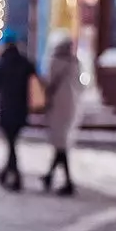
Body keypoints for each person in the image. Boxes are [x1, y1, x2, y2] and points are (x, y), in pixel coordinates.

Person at [0, 30, 37, 192]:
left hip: (6, 109)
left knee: (11, 143)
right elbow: (35, 79)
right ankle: (7, 174)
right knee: (12, 142)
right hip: (21, 109)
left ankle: (15, 176)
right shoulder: (25, 62)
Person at [41, 31, 82, 196]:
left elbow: (49, 82)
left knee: (60, 143)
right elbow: (81, 84)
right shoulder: (75, 62)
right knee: (62, 142)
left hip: (57, 105)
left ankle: (65, 181)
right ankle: (52, 176)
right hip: (72, 105)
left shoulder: (54, 62)